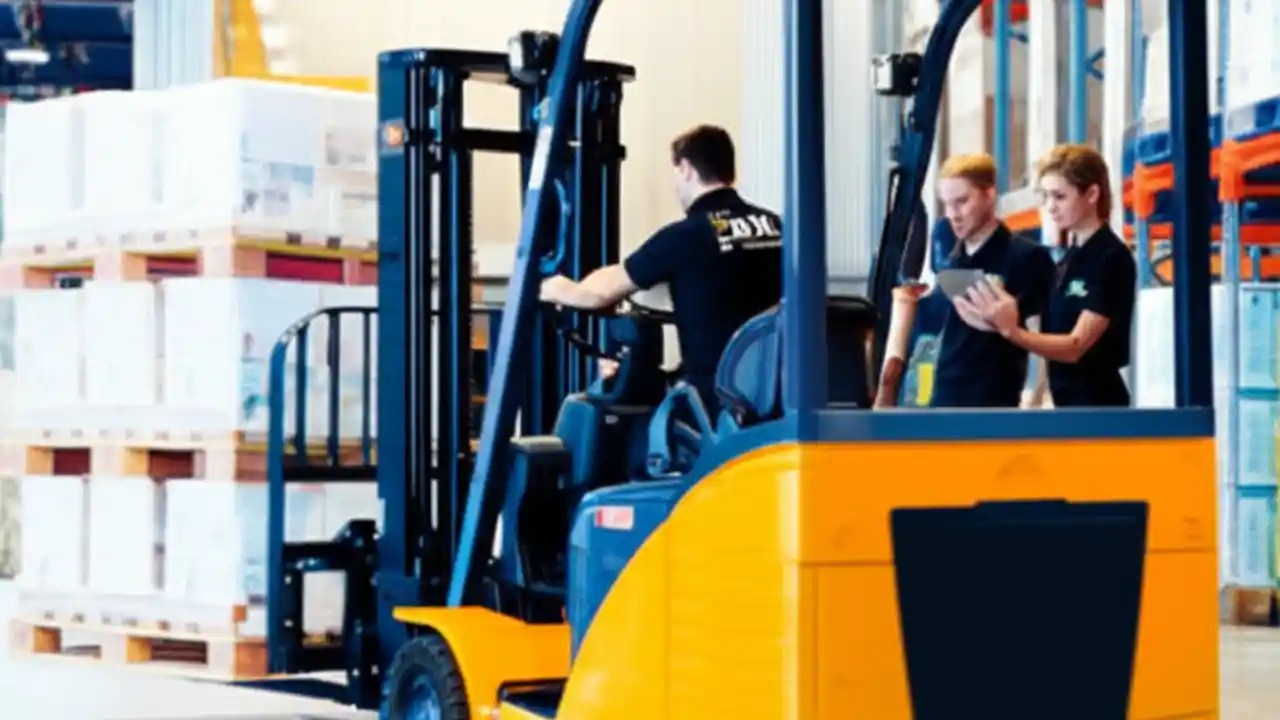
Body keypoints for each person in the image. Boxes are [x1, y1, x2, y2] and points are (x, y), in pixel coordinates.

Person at [539, 124, 783, 415]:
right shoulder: (777, 226)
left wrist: (551, 288)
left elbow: (598, 294)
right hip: (777, 392)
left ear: (686, 168)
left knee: (603, 408)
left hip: (714, 398)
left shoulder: (685, 236)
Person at [958, 144, 1136, 407]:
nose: (1051, 207)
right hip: (1065, 403)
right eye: (1046, 197)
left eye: (1060, 197)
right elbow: (1048, 335)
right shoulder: (1068, 259)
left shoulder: (1109, 257)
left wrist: (1012, 332)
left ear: (1092, 194)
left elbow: (1076, 346)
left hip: (1098, 407)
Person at [903, 153, 1056, 409]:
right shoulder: (952, 260)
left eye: (962, 201)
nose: (953, 214)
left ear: (989, 195)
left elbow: (1043, 333)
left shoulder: (1027, 258)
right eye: (947, 204)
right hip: (943, 399)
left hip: (993, 405)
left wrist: (1036, 399)